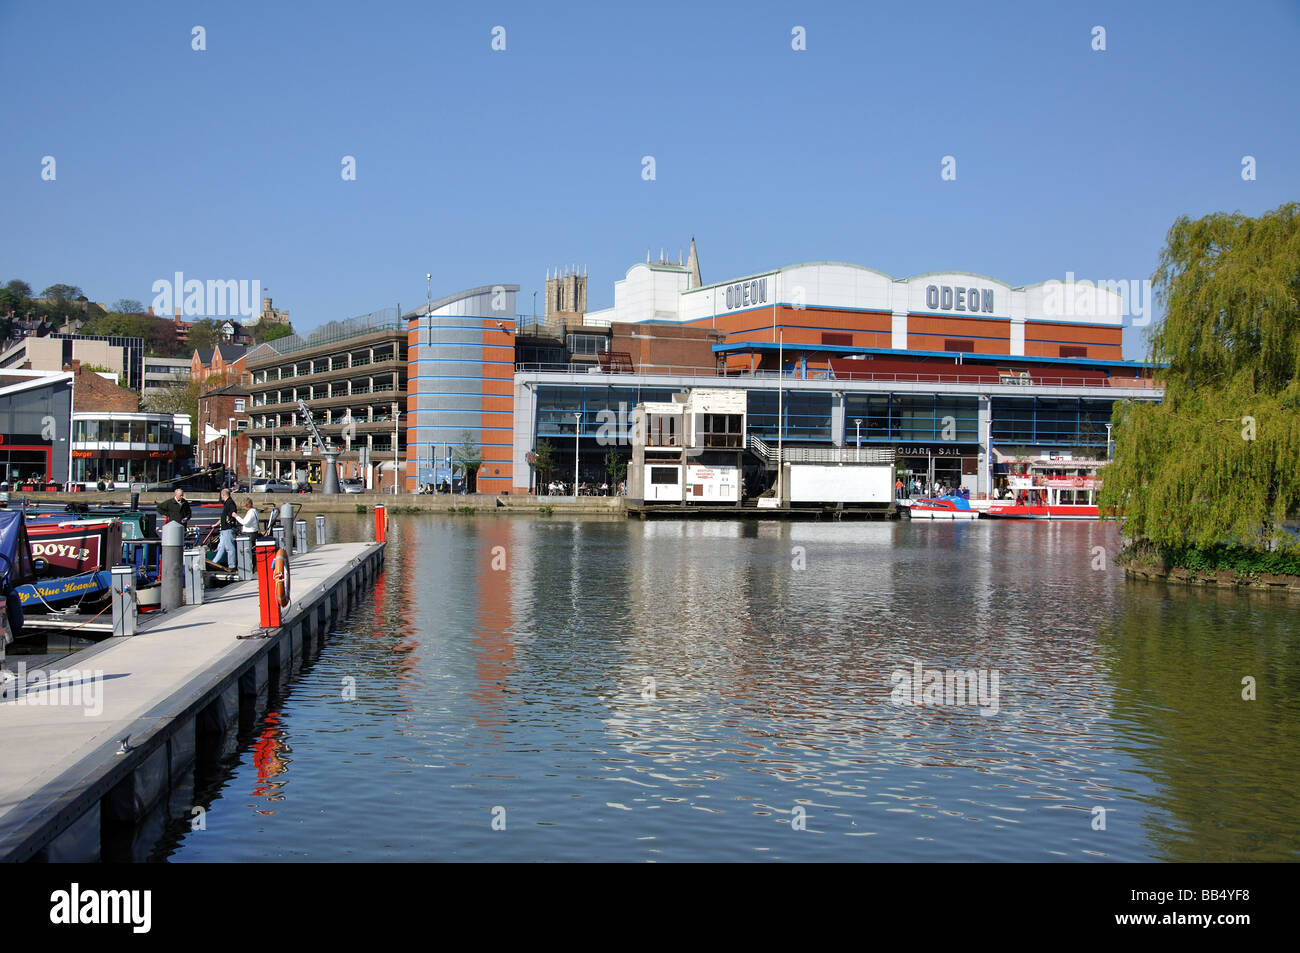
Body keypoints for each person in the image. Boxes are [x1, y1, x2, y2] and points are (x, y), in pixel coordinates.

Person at [212, 487, 238, 569]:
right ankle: (214, 563)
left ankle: (232, 565)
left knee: (230, 548)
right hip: (224, 529)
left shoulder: (230, 503)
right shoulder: (227, 503)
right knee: (221, 548)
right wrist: (216, 524)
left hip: (227, 528)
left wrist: (229, 518)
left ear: (223, 495)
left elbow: (232, 513)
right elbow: (223, 517)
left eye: (221, 496)